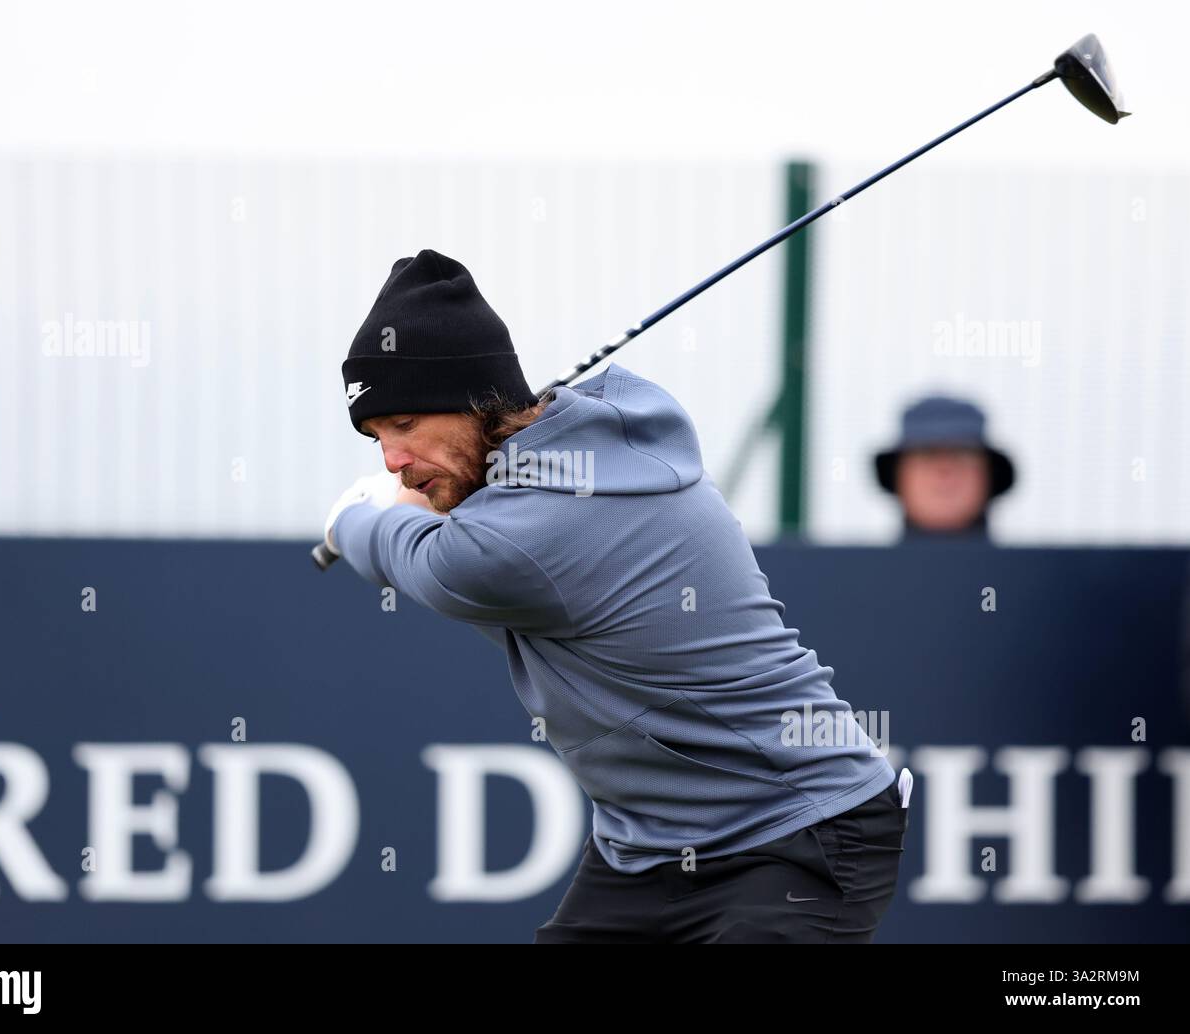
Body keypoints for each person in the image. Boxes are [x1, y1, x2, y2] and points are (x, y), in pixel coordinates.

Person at [326, 248, 909, 943]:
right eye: (377, 439)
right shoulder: (577, 458)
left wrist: (355, 518)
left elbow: (425, 560)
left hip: (799, 830)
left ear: (476, 402)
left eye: (405, 427)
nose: (391, 461)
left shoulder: (524, 535)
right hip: (647, 850)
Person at [873, 395, 1016, 543]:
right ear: (896, 475)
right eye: (927, 454)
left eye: (962, 454)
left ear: (991, 475)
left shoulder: (1030, 566)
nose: (944, 470)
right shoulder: (856, 566)